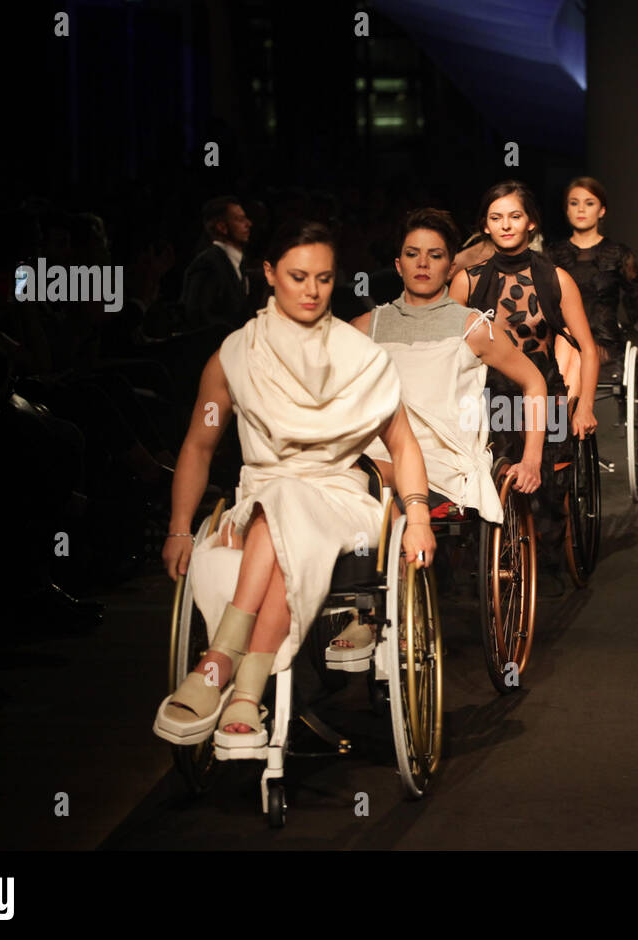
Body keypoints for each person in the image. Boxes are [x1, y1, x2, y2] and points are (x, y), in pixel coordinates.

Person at [152, 221, 436, 750]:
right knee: (278, 503)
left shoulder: (361, 356)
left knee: (282, 504)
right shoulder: (236, 355)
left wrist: (417, 516)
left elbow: (402, 444)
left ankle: (221, 662)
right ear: (268, 274)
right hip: (264, 500)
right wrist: (178, 529)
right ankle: (246, 690)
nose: (311, 291)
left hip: (341, 499)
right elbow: (197, 446)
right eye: (298, 276)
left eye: (324, 279)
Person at [352, 206, 546, 511]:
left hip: (440, 465)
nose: (423, 263)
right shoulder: (366, 327)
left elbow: (534, 380)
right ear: (398, 265)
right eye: (413, 254)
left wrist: (532, 460)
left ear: (450, 266)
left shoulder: (474, 328)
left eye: (436, 255)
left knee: (359, 476)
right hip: (373, 453)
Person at [449, 180, 599, 574]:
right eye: (496, 218)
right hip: (486, 400)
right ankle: (491, 563)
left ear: (531, 222)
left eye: (515, 216)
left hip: (544, 400)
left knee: (544, 500)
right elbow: (446, 352)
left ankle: (531, 562)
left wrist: (583, 406)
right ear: (484, 225)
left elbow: (586, 346)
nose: (506, 225)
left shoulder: (556, 279)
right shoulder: (467, 282)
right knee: (475, 488)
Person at [545, 177, 638, 403]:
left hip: (603, 342)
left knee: (576, 349)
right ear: (566, 210)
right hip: (561, 339)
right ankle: (566, 417)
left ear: (602, 211)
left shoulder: (617, 254)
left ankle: (561, 419)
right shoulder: (553, 254)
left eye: (589, 203)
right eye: (574, 203)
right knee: (569, 340)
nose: (581, 209)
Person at [177, 196, 255, 332]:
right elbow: (198, 317)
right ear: (222, 227)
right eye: (239, 219)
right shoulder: (208, 265)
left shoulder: (237, 264)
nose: (248, 224)